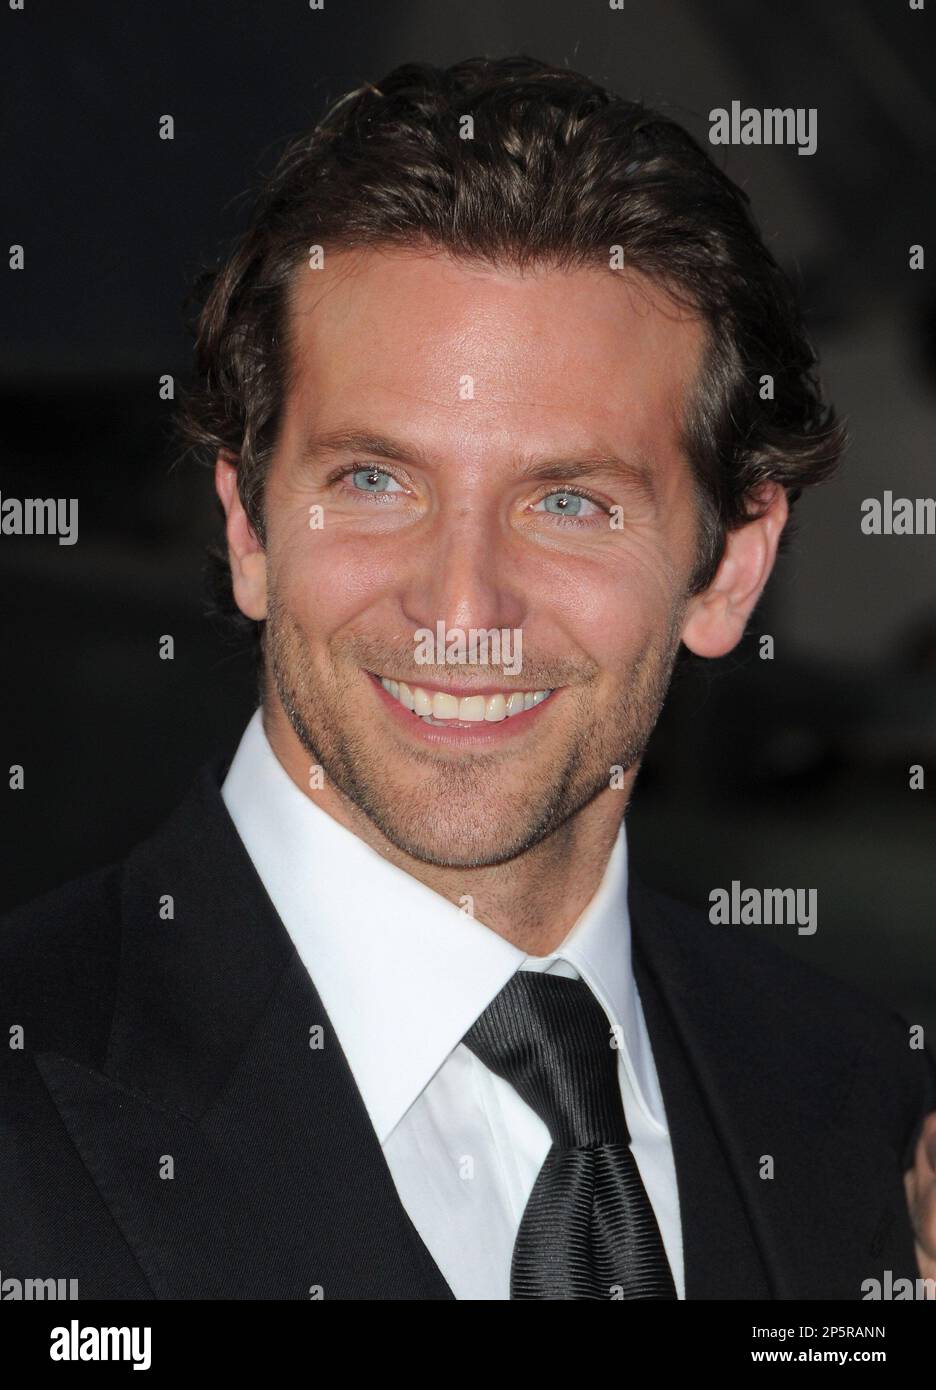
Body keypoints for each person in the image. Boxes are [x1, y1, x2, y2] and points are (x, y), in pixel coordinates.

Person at [2, 55, 935, 1301]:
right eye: (376, 481)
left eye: (567, 501)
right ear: (247, 527)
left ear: (730, 570)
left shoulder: (862, 1111)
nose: (461, 607)